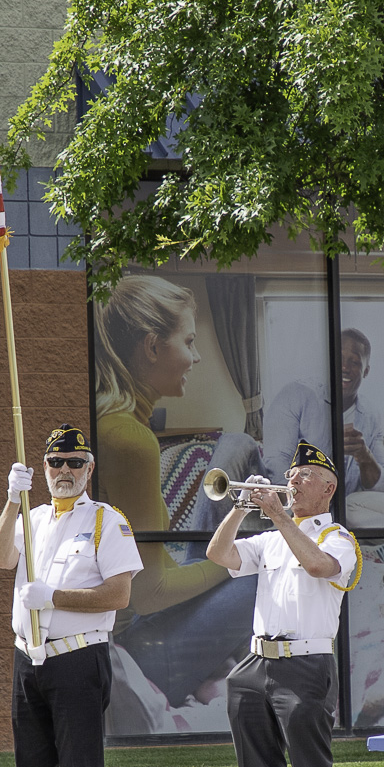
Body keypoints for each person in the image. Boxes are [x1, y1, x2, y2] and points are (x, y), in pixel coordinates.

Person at [0, 425, 143, 767]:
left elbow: (119, 594)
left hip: (78, 655)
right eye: (56, 464)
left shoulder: (105, 521)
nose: (64, 472)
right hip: (27, 657)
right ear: (45, 469)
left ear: (90, 469)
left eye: (75, 463)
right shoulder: (32, 519)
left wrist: (53, 597)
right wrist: (12, 500)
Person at [93, 274, 262, 709]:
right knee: (269, 568)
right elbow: (149, 594)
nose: (198, 356)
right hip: (141, 648)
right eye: (188, 342)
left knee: (235, 446)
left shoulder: (116, 425)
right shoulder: (129, 440)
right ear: (152, 347)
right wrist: (240, 560)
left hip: (142, 627)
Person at [205, 440, 359, 767]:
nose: (292, 481)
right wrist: (239, 507)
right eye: (290, 475)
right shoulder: (273, 535)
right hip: (255, 665)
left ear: (328, 488)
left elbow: (317, 566)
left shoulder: (337, 538)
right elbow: (218, 554)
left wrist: (277, 515)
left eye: (304, 476)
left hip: (306, 664)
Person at [261, 328, 384, 495]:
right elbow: (277, 467)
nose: (344, 367)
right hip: (289, 504)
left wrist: (363, 455)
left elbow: (380, 485)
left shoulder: (371, 416)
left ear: (366, 371)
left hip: (344, 508)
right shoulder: (295, 395)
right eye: (339, 358)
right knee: (237, 443)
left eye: (354, 362)